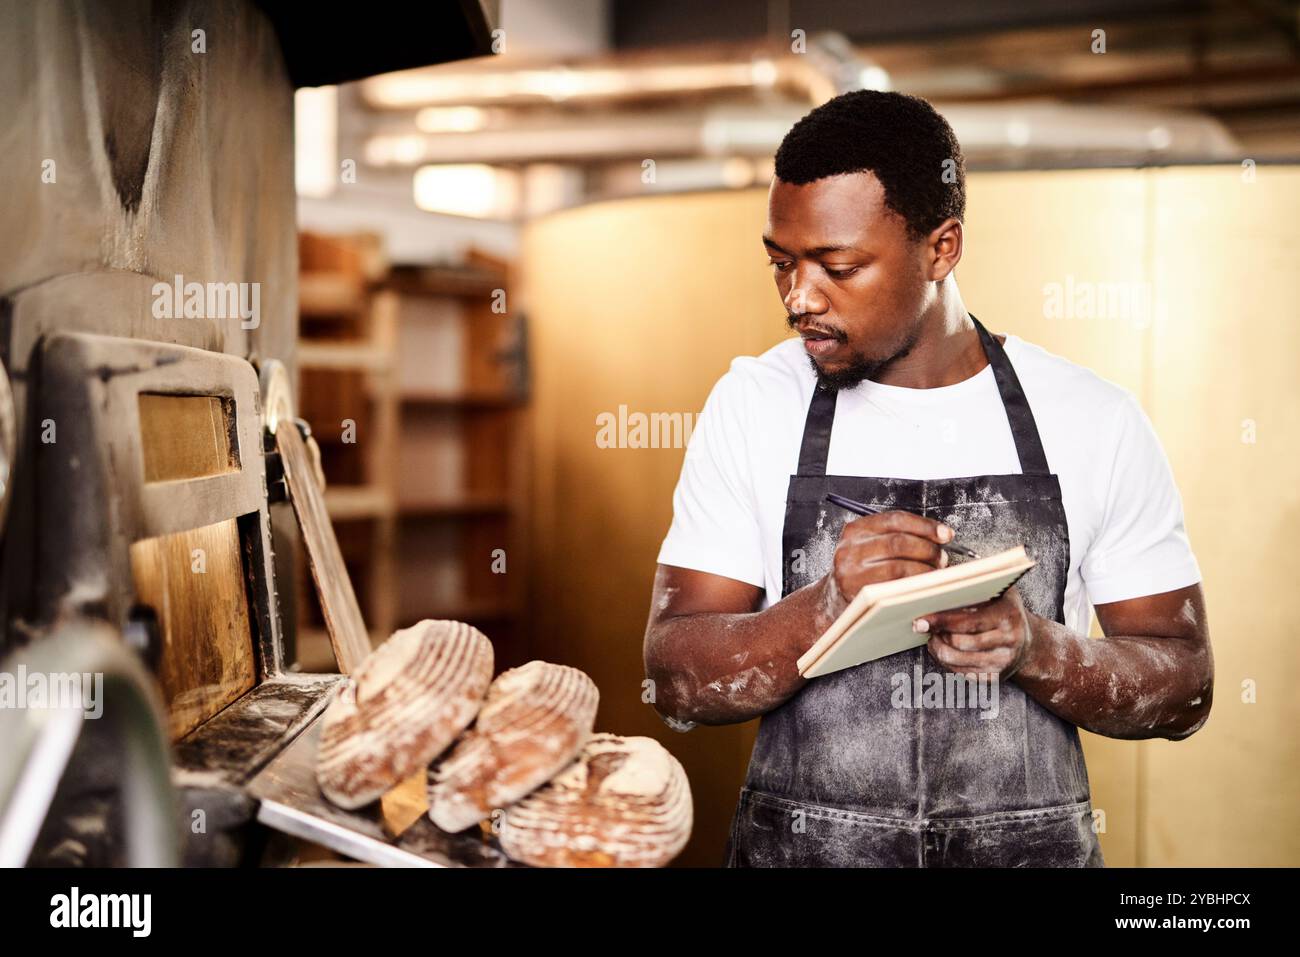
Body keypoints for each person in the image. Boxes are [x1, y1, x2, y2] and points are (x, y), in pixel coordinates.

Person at [642, 90, 1212, 867]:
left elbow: (1185, 686)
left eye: (838, 266)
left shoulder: (1093, 418)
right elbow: (675, 676)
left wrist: (1037, 649)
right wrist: (826, 611)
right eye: (781, 262)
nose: (799, 297)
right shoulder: (751, 404)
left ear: (942, 248)